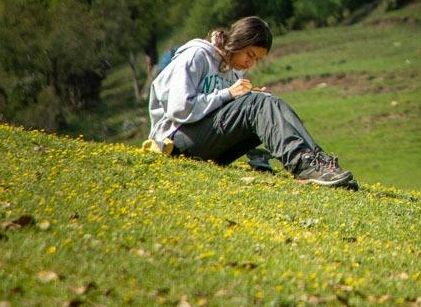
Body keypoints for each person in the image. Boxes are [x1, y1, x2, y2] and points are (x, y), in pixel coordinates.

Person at [144, 15, 357, 189]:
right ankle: (304, 166)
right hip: (175, 142)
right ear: (238, 42)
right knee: (256, 104)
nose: (251, 63)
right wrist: (229, 94)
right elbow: (179, 109)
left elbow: (223, 111)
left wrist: (243, 97)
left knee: (267, 101)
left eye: (257, 59)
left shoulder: (233, 70)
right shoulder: (195, 56)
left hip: (203, 145)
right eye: (250, 54)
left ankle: (319, 163)